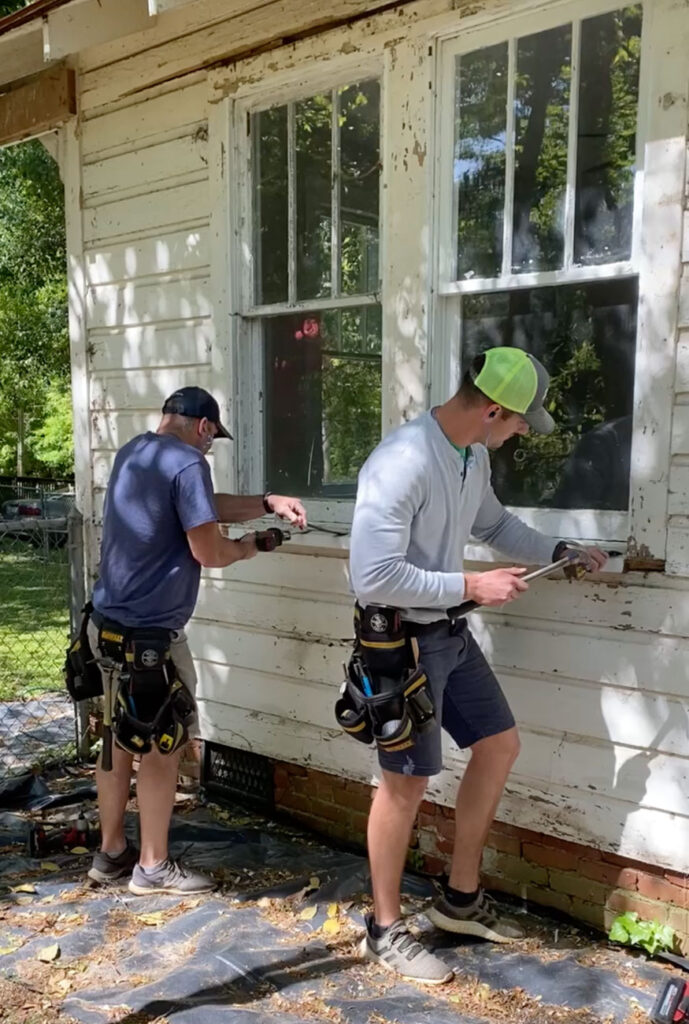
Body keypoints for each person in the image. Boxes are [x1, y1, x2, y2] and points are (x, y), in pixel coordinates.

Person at [349, 347, 607, 984]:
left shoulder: (471, 455)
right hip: (400, 642)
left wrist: (556, 549)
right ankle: (383, 930)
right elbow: (372, 574)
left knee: (498, 743)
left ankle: (458, 900)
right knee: (404, 784)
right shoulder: (403, 460)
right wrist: (471, 584)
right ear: (492, 408)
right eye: (521, 421)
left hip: (448, 632)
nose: (524, 431)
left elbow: (492, 521)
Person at [86, 386, 307, 896]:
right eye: (213, 439)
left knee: (118, 742)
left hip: (107, 626)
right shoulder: (188, 463)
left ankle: (111, 852)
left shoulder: (135, 452)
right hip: (151, 641)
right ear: (204, 427)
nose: (210, 449)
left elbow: (200, 507)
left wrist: (265, 502)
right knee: (164, 743)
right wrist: (249, 547)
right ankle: (154, 866)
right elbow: (208, 549)